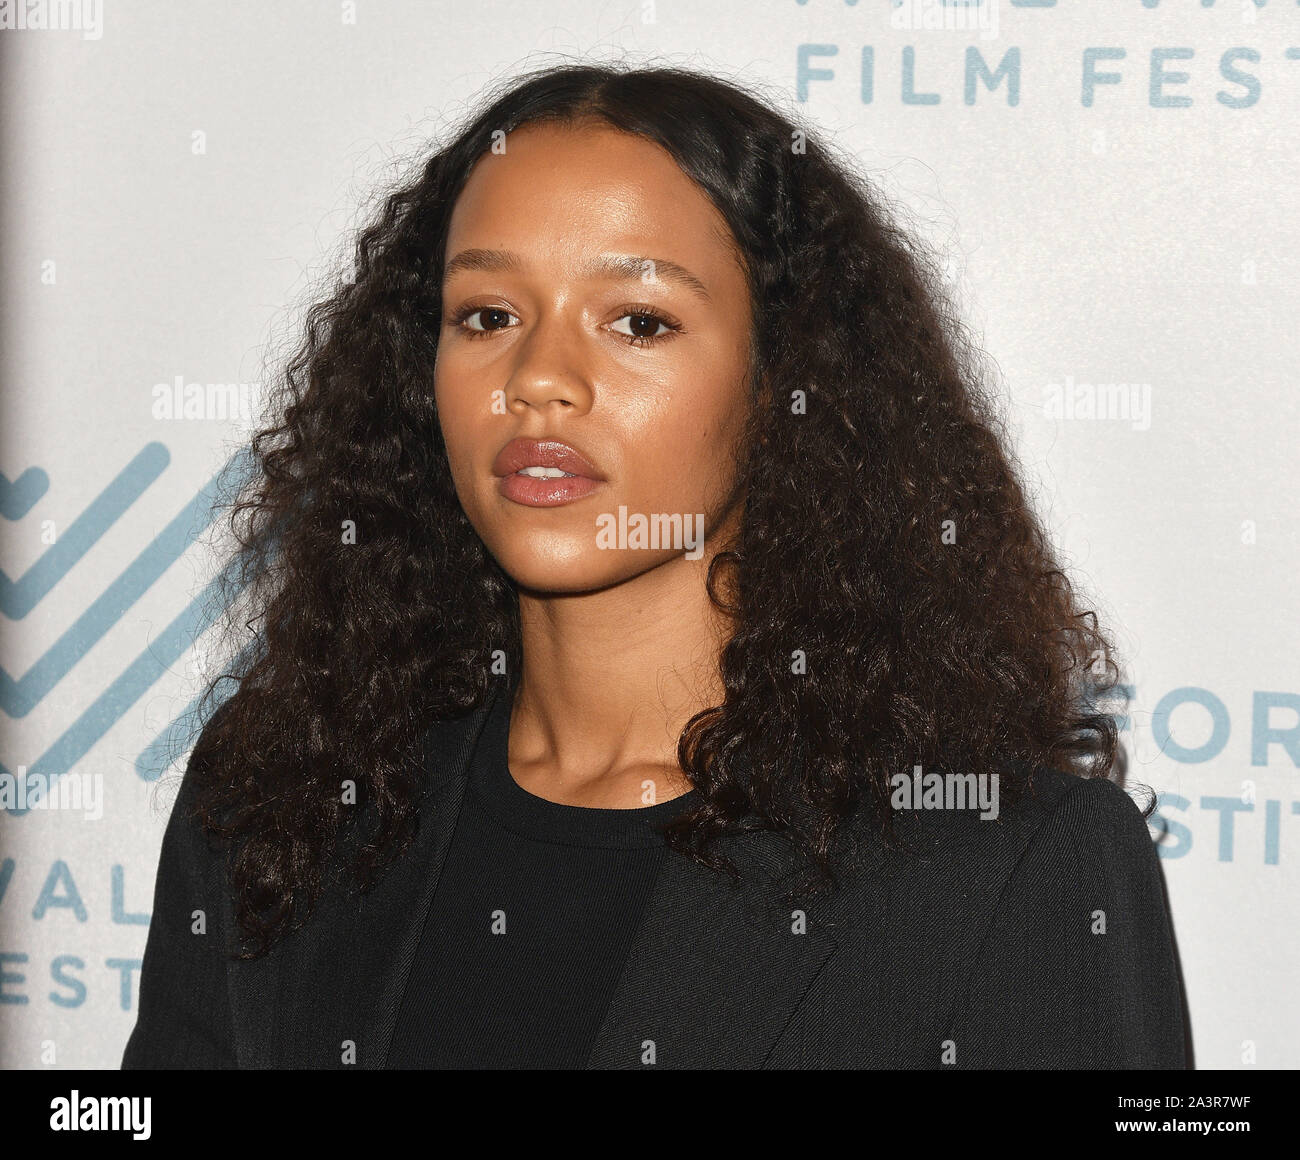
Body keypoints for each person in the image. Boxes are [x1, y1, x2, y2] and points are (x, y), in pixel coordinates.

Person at [121, 61, 1187, 1070]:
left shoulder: (1003, 864)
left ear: (784, 386)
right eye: (486, 315)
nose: (539, 378)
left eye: (639, 320)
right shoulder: (282, 796)